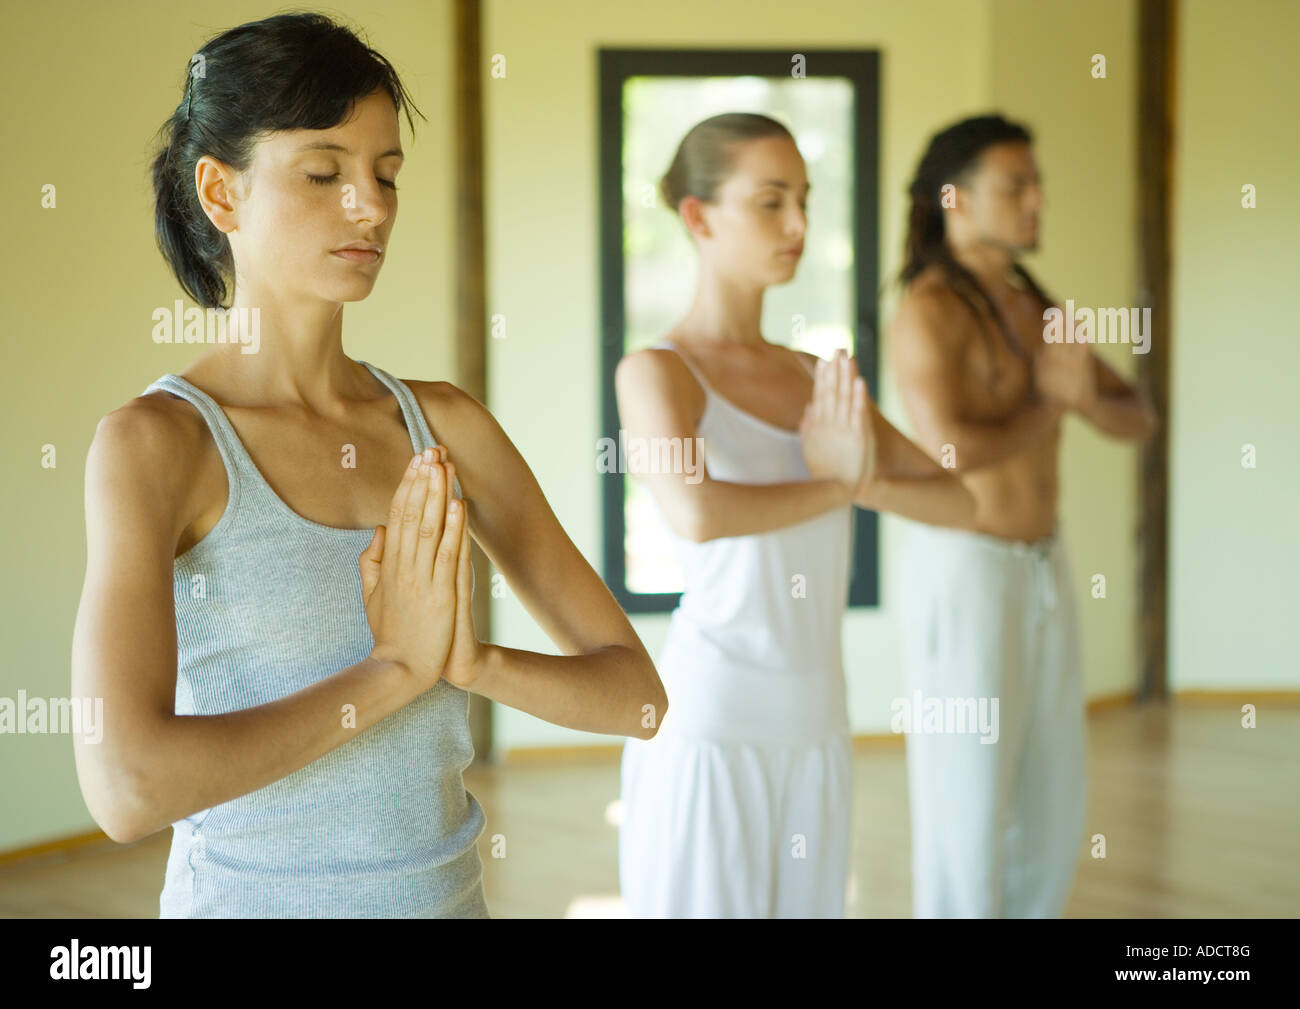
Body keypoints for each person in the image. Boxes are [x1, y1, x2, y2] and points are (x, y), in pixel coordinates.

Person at [69, 11, 665, 919]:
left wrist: (470, 660)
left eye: (386, 175)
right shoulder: (156, 444)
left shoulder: (448, 425)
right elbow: (126, 786)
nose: (373, 207)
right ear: (221, 195)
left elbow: (639, 701)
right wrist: (393, 670)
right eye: (324, 173)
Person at [615, 112, 976, 918]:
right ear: (698, 217)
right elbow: (698, 510)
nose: (800, 225)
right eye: (771, 201)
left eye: (804, 200)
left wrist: (858, 477)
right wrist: (841, 482)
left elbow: (956, 497)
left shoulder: (820, 376)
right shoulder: (655, 372)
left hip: (817, 721)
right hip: (713, 723)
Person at [889, 113, 1156, 918]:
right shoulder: (930, 309)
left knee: (1050, 792)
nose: (1038, 199)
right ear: (955, 199)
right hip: (965, 572)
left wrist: (1071, 400)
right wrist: (1054, 405)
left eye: (1037, 183)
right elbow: (948, 450)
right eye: (1017, 185)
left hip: (1046, 566)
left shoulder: (1035, 304)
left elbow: (1135, 415)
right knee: (965, 795)